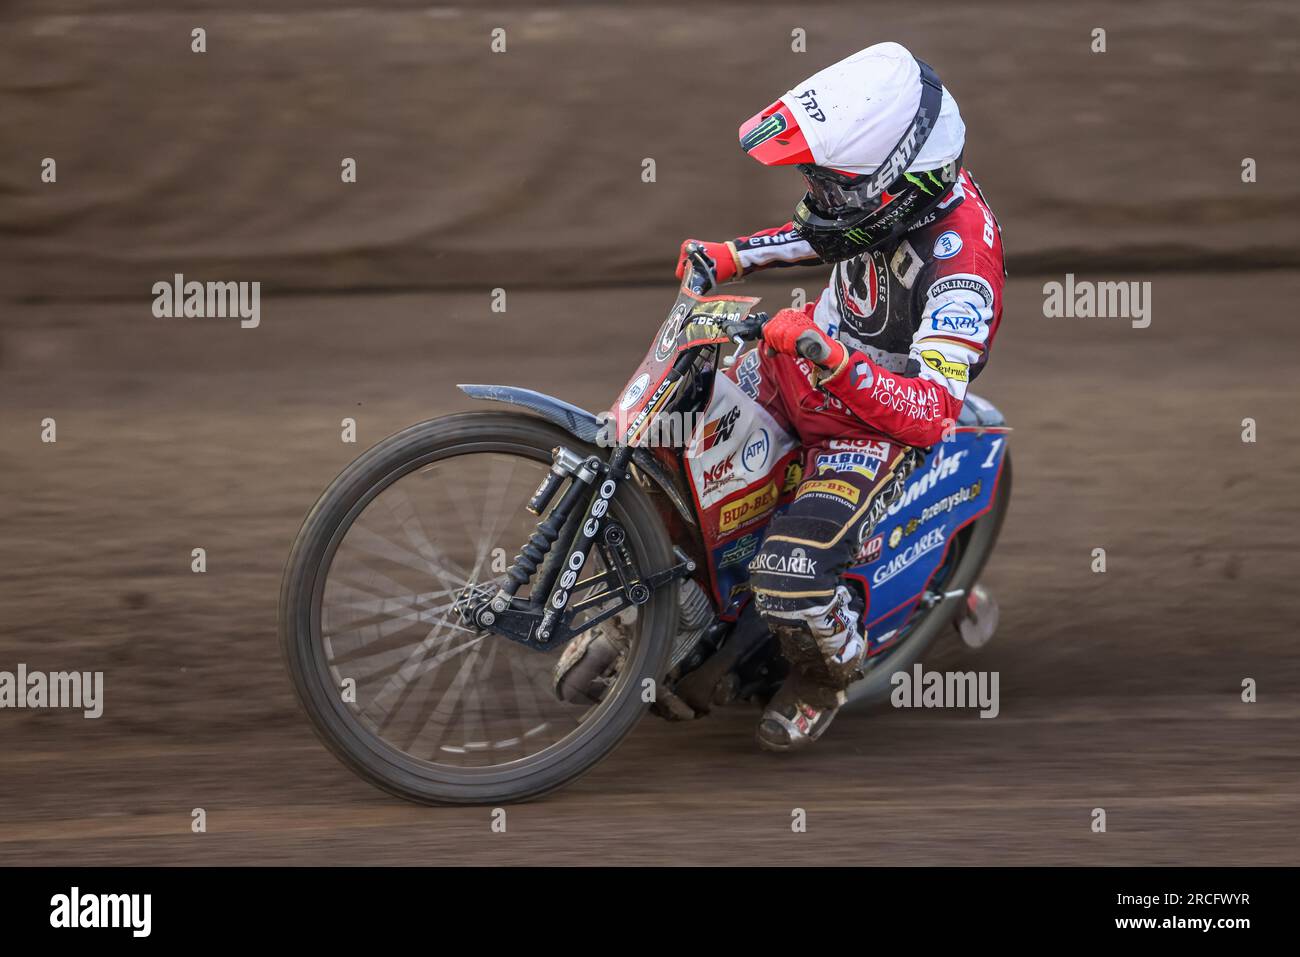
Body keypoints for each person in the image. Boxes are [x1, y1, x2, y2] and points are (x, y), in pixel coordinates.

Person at [674, 41, 1006, 751]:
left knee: (790, 573)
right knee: (673, 450)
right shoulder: (876, 203)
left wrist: (832, 358)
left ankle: (824, 676)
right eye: (818, 182)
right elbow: (822, 233)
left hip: (869, 423)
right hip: (799, 363)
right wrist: (732, 255)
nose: (820, 198)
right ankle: (661, 610)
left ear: (904, 184)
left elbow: (931, 412)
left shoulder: (963, 267)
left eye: (835, 187)